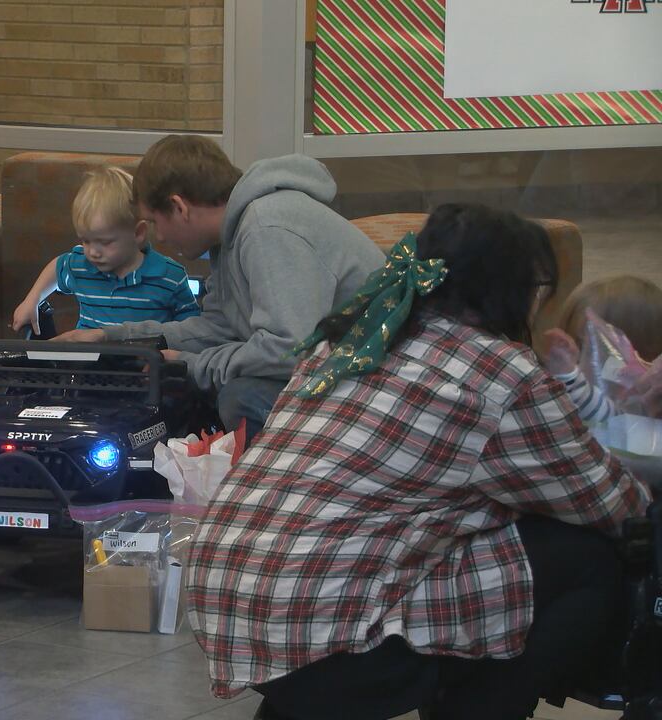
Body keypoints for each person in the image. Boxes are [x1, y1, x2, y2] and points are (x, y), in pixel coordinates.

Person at [187, 204, 653, 720]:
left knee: (457, 539)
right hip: (326, 638)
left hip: (225, 601)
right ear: (513, 289)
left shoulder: (348, 341)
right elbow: (615, 505)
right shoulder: (500, 371)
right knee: (586, 557)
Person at [54, 136, 385, 439]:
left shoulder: (266, 228)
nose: (160, 238)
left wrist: (188, 363)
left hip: (382, 390)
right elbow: (218, 328)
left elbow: (289, 350)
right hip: (347, 374)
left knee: (240, 396)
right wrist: (115, 338)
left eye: (155, 223)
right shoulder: (232, 236)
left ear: (180, 207)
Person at [10, 165, 199, 335]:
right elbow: (58, 267)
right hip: (89, 367)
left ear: (138, 233)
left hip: (146, 368)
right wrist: (32, 299)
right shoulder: (81, 266)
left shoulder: (169, 276)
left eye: (105, 242)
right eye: (86, 241)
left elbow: (190, 330)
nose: (93, 252)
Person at [539, 275, 662, 423]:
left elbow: (597, 413)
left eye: (585, 350)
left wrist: (569, 375)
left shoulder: (633, 411)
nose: (575, 364)